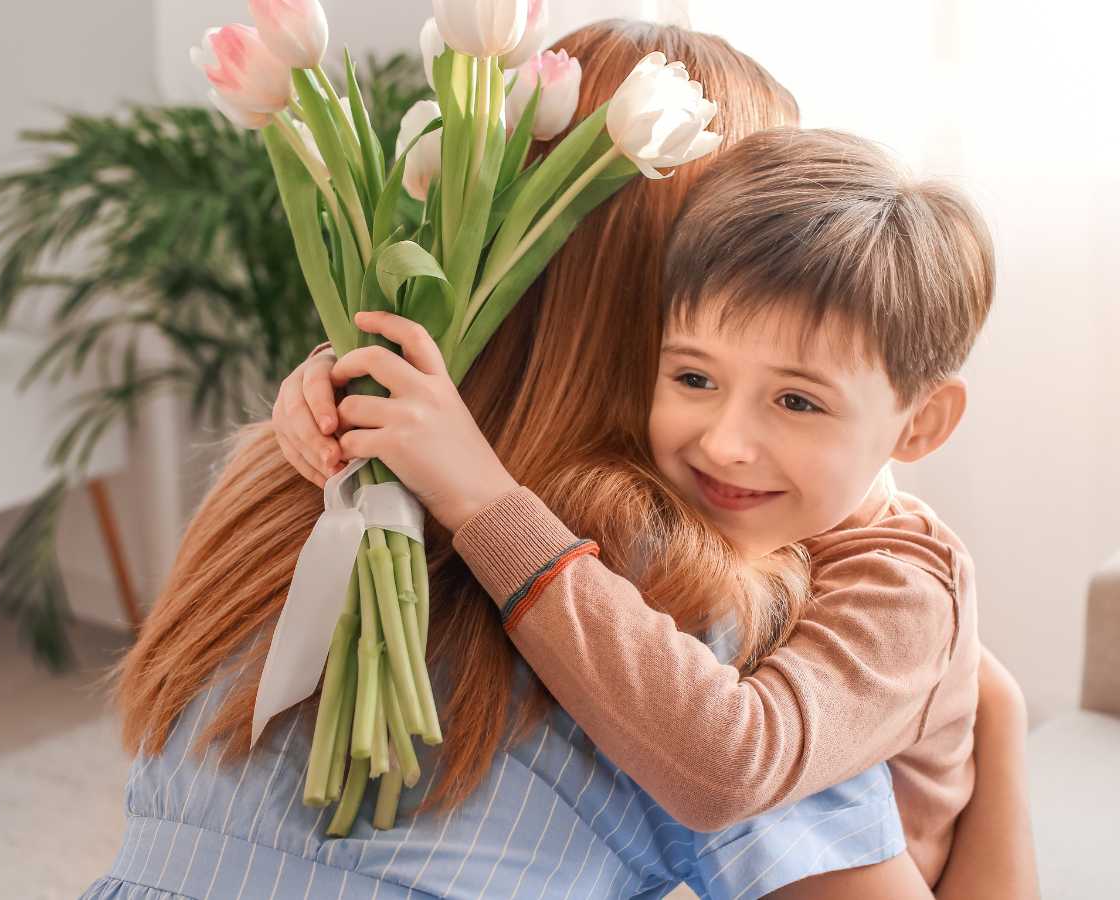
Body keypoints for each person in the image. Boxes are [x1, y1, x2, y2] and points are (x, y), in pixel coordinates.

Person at [83, 22, 1033, 900]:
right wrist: (998, 713)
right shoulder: (692, 599)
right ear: (675, 289)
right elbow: (731, 757)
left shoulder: (294, 469)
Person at [295, 124, 997, 889]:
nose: (726, 443)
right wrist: (336, 383)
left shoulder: (904, 588)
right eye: (694, 378)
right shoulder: (719, 505)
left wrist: (483, 501)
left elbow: (728, 768)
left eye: (797, 401)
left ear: (921, 424)